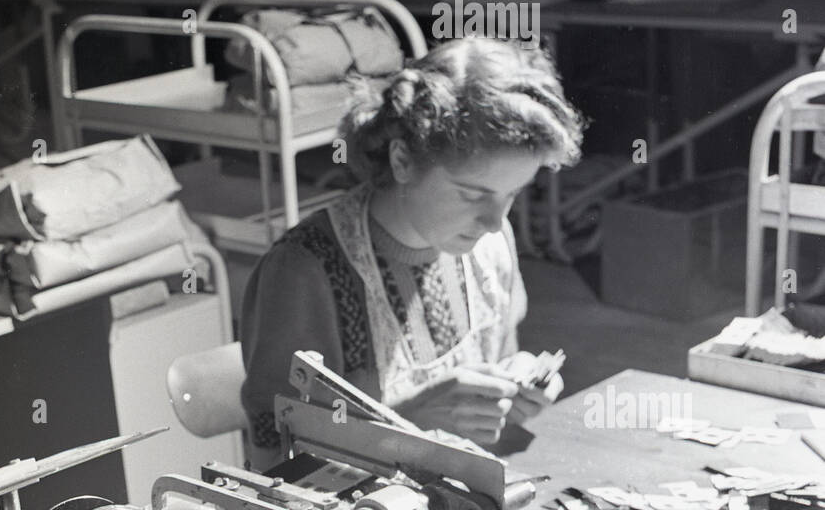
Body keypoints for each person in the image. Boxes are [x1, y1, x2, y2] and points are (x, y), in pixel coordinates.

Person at [241, 34, 584, 458]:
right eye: (473, 194)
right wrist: (411, 417)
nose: (496, 222)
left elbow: (503, 353)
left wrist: (519, 383)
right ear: (402, 161)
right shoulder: (303, 271)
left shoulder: (489, 246)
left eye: (511, 194)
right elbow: (274, 451)